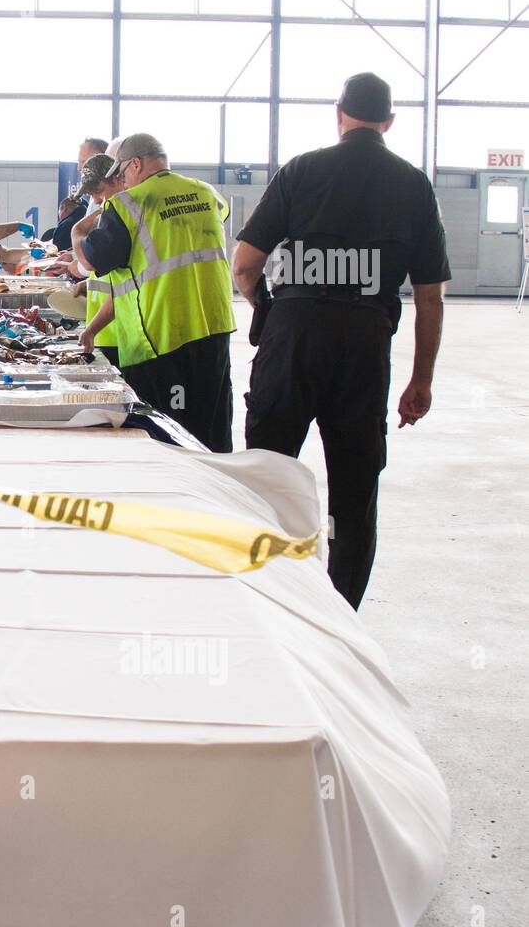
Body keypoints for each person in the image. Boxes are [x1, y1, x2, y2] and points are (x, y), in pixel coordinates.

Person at [232, 72, 449, 609]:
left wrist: (273, 311)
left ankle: (270, 603)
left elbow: (244, 267)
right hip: (364, 344)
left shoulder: (302, 170)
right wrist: (421, 380)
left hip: (295, 336)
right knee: (354, 490)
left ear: (339, 114)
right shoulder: (414, 184)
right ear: (389, 122)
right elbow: (430, 298)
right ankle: (340, 617)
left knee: (267, 474)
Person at [79, 133, 235, 451]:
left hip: (163, 337)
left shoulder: (128, 205)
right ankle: (217, 494)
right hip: (214, 328)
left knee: (169, 436)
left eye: (121, 174)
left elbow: (93, 260)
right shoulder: (207, 193)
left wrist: (76, 231)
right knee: (212, 428)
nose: (122, 182)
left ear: (135, 164)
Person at [65, 153, 122, 367]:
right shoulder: (108, 215)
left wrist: (77, 229)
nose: (96, 199)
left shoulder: (121, 218)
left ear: (117, 180)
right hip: (106, 333)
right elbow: (113, 276)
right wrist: (89, 284)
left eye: (98, 192)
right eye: (91, 194)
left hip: (121, 333)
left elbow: (122, 288)